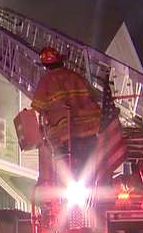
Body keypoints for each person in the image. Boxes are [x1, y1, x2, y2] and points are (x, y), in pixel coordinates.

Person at [30, 46, 102, 177]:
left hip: (66, 135)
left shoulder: (46, 81)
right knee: (92, 171)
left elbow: (37, 107)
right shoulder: (77, 77)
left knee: (65, 174)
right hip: (90, 131)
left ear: (46, 66)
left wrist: (34, 134)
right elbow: (93, 96)